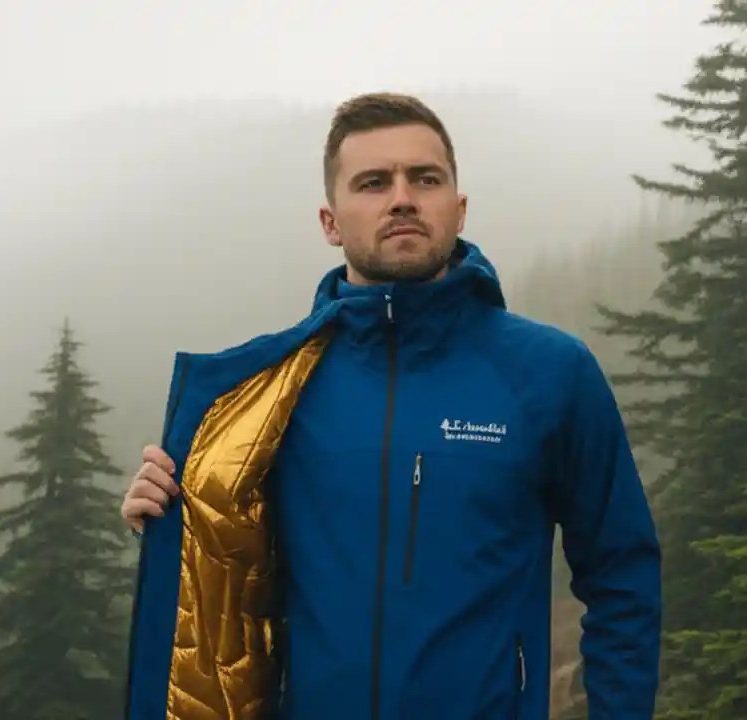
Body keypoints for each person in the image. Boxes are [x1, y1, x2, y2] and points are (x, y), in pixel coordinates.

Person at [120, 92, 661, 720]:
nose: (402, 197)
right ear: (330, 222)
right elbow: (225, 578)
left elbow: (622, 575)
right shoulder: (266, 396)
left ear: (458, 209)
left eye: (424, 179)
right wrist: (167, 510)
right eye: (373, 182)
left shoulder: (550, 373)